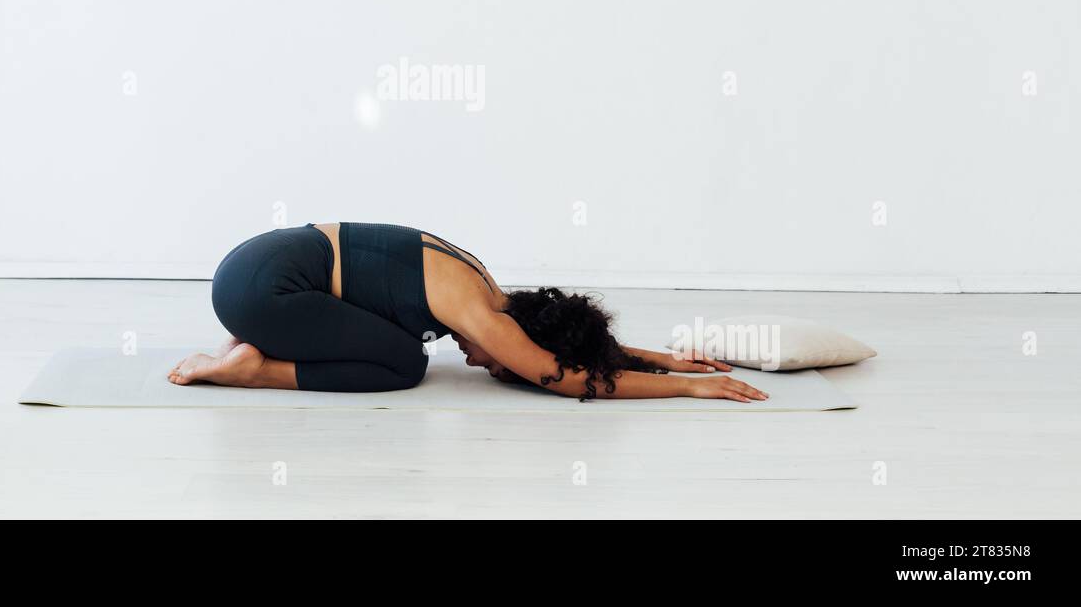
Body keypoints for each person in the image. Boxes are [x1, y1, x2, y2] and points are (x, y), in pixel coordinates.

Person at [169, 223, 768, 402]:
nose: (482, 363)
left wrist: (672, 362)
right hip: (261, 294)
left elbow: (579, 356)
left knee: (397, 344)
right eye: (502, 364)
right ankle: (252, 369)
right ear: (521, 338)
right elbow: (573, 378)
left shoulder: (480, 279)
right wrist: (695, 391)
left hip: (251, 270)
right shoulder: (483, 317)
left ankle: (255, 345)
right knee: (405, 362)